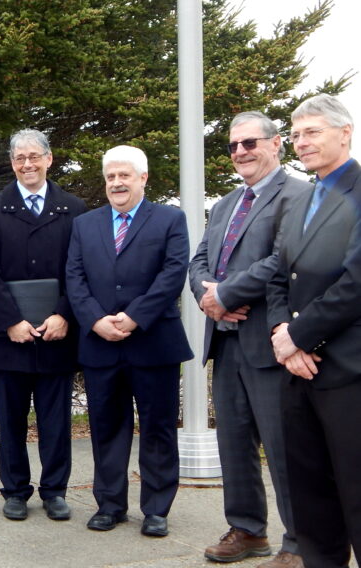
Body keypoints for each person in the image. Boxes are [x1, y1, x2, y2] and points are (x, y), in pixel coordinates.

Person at [189, 112, 308, 568]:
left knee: (284, 447)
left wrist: (227, 293)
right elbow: (199, 260)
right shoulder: (223, 205)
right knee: (234, 443)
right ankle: (247, 530)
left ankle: (299, 541)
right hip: (226, 342)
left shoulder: (298, 194)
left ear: (276, 144)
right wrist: (207, 296)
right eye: (234, 145)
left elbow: (283, 259)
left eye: (249, 143)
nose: (240, 152)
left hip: (271, 342)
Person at [65, 145, 191, 538]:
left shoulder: (170, 219)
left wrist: (135, 316)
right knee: (106, 429)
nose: (116, 183)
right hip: (101, 344)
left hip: (154, 343)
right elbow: (74, 277)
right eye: (111, 178)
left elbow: (173, 273)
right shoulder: (86, 224)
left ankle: (156, 509)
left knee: (157, 428)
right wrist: (95, 320)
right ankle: (110, 504)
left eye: (124, 176)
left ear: (143, 179)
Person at [268, 94, 361, 568]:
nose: (301, 142)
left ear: (344, 132)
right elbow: (279, 276)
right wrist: (283, 334)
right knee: (313, 506)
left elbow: (357, 281)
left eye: (313, 132)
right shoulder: (301, 198)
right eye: (297, 133)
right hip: (297, 374)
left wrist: (299, 337)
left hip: (348, 372)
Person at [0, 128, 86, 522]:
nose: (27, 165)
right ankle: (15, 491)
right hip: (10, 338)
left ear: (49, 159)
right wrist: (10, 322)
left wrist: (63, 314)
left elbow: (80, 270)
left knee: (56, 421)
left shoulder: (73, 208)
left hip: (57, 334)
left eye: (34, 156)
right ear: (12, 163)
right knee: (11, 422)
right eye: (20, 158)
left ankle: (55, 490)